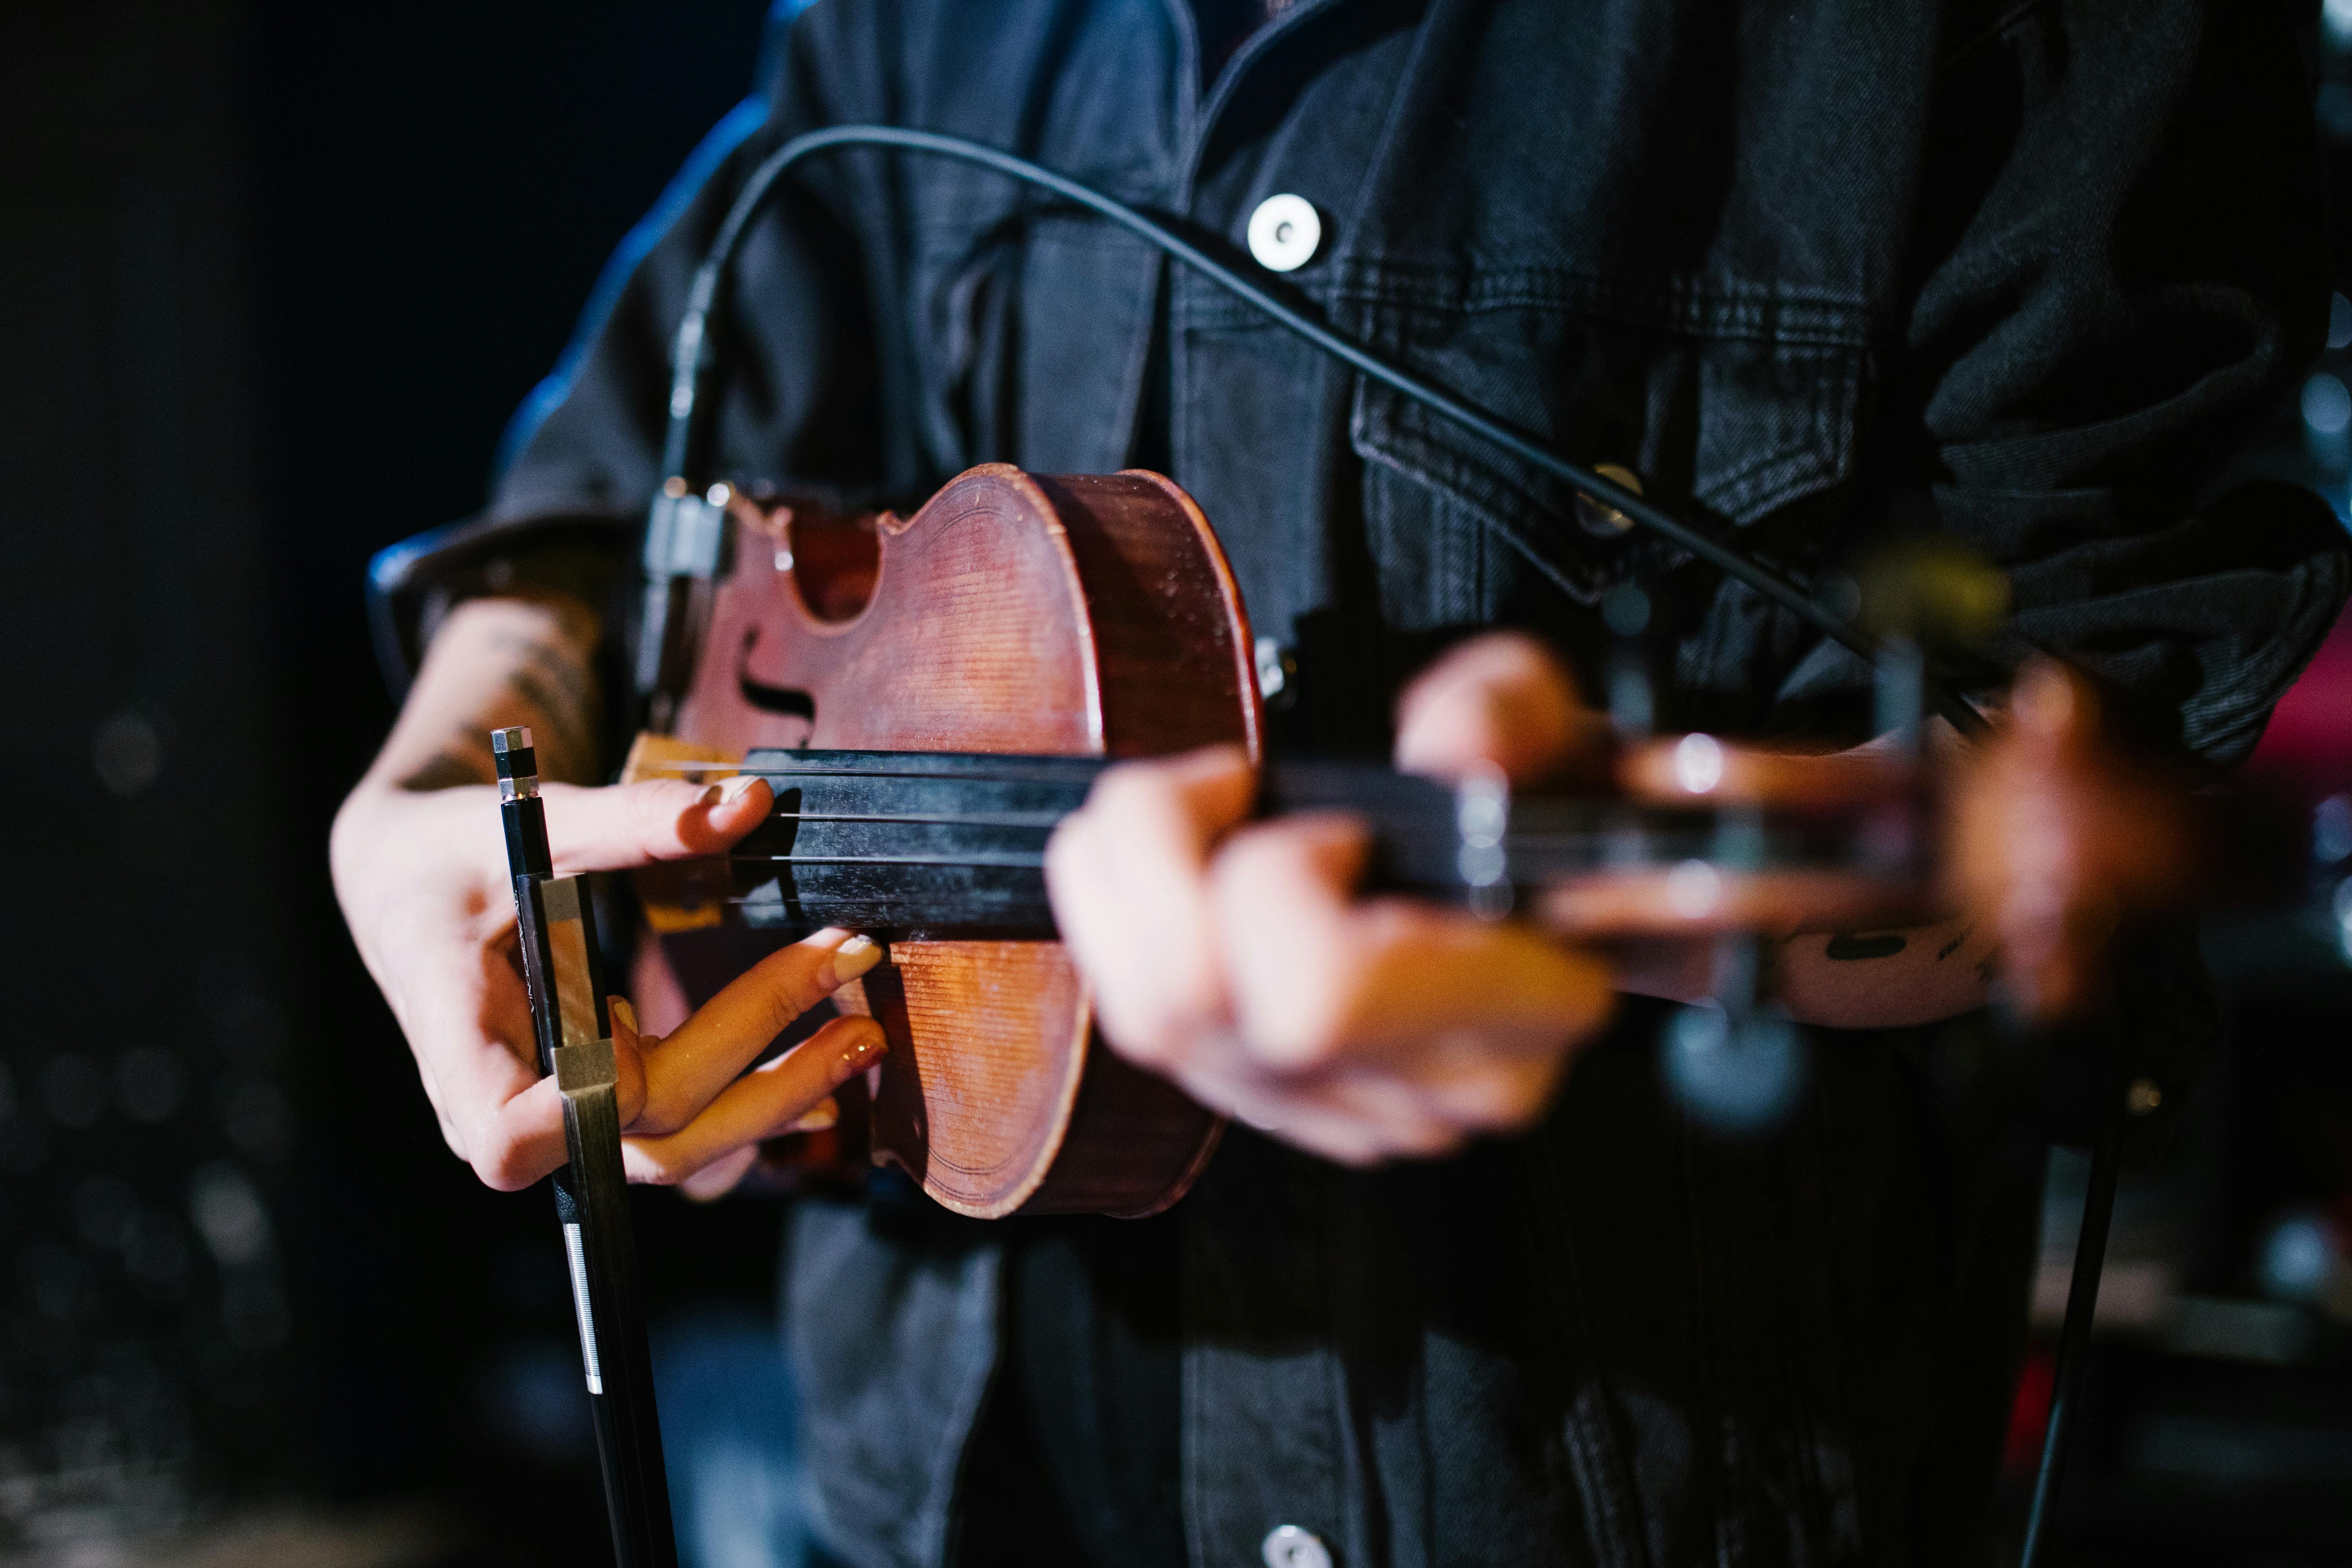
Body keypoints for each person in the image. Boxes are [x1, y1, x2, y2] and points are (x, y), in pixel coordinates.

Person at [332, 2, 2349, 1563]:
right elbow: (605, 501)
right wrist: (431, 783)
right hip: (939, 1487)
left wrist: (1584, 887)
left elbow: (2078, 734)